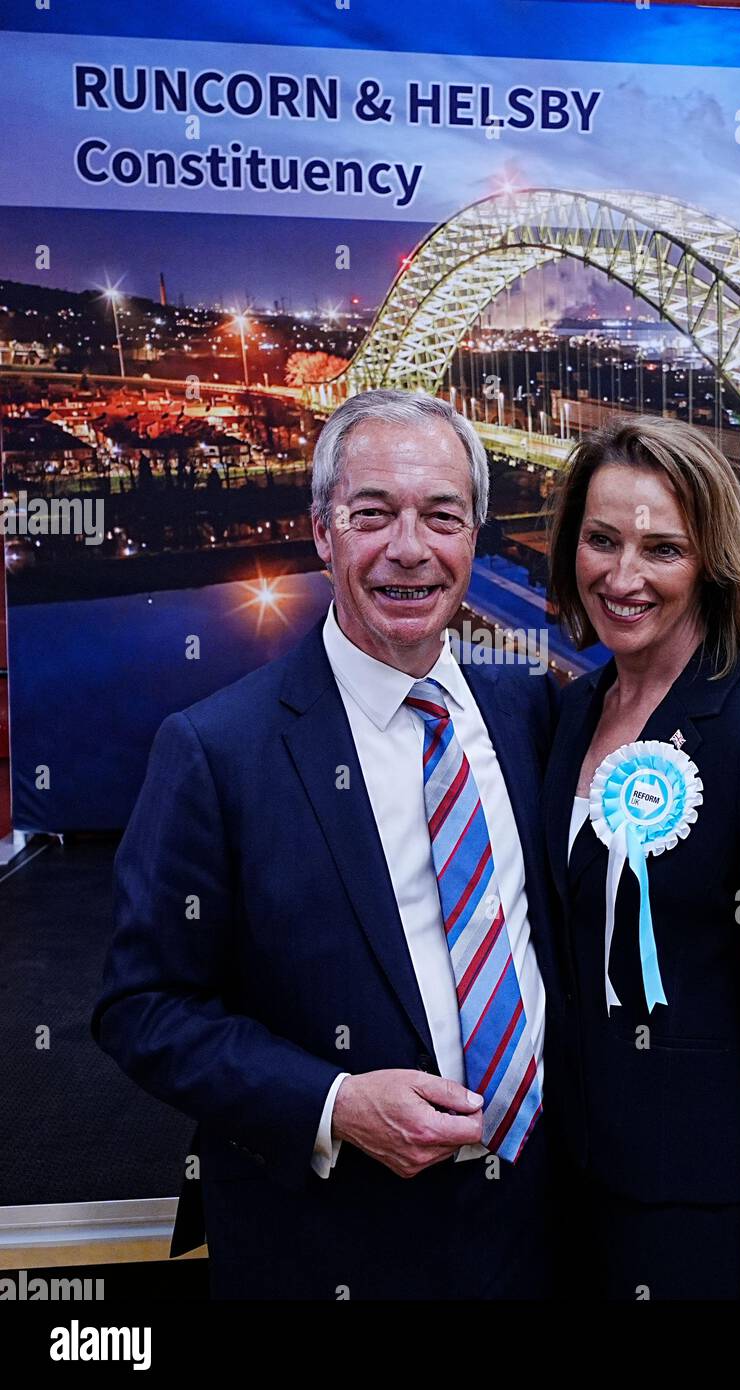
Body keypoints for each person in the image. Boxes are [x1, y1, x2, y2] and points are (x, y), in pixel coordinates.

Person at [92, 388, 562, 1299]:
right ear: (322, 533)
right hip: (328, 1244)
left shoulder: (531, 712)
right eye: (372, 515)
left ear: (476, 537)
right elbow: (142, 1007)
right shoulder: (217, 750)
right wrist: (333, 1105)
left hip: (534, 1225)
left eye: (442, 517)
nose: (409, 549)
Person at [544, 415, 740, 1300]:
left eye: (661, 549)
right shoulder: (574, 712)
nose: (622, 576)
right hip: (569, 1197)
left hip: (696, 1226)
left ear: (710, 564)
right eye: (601, 540)